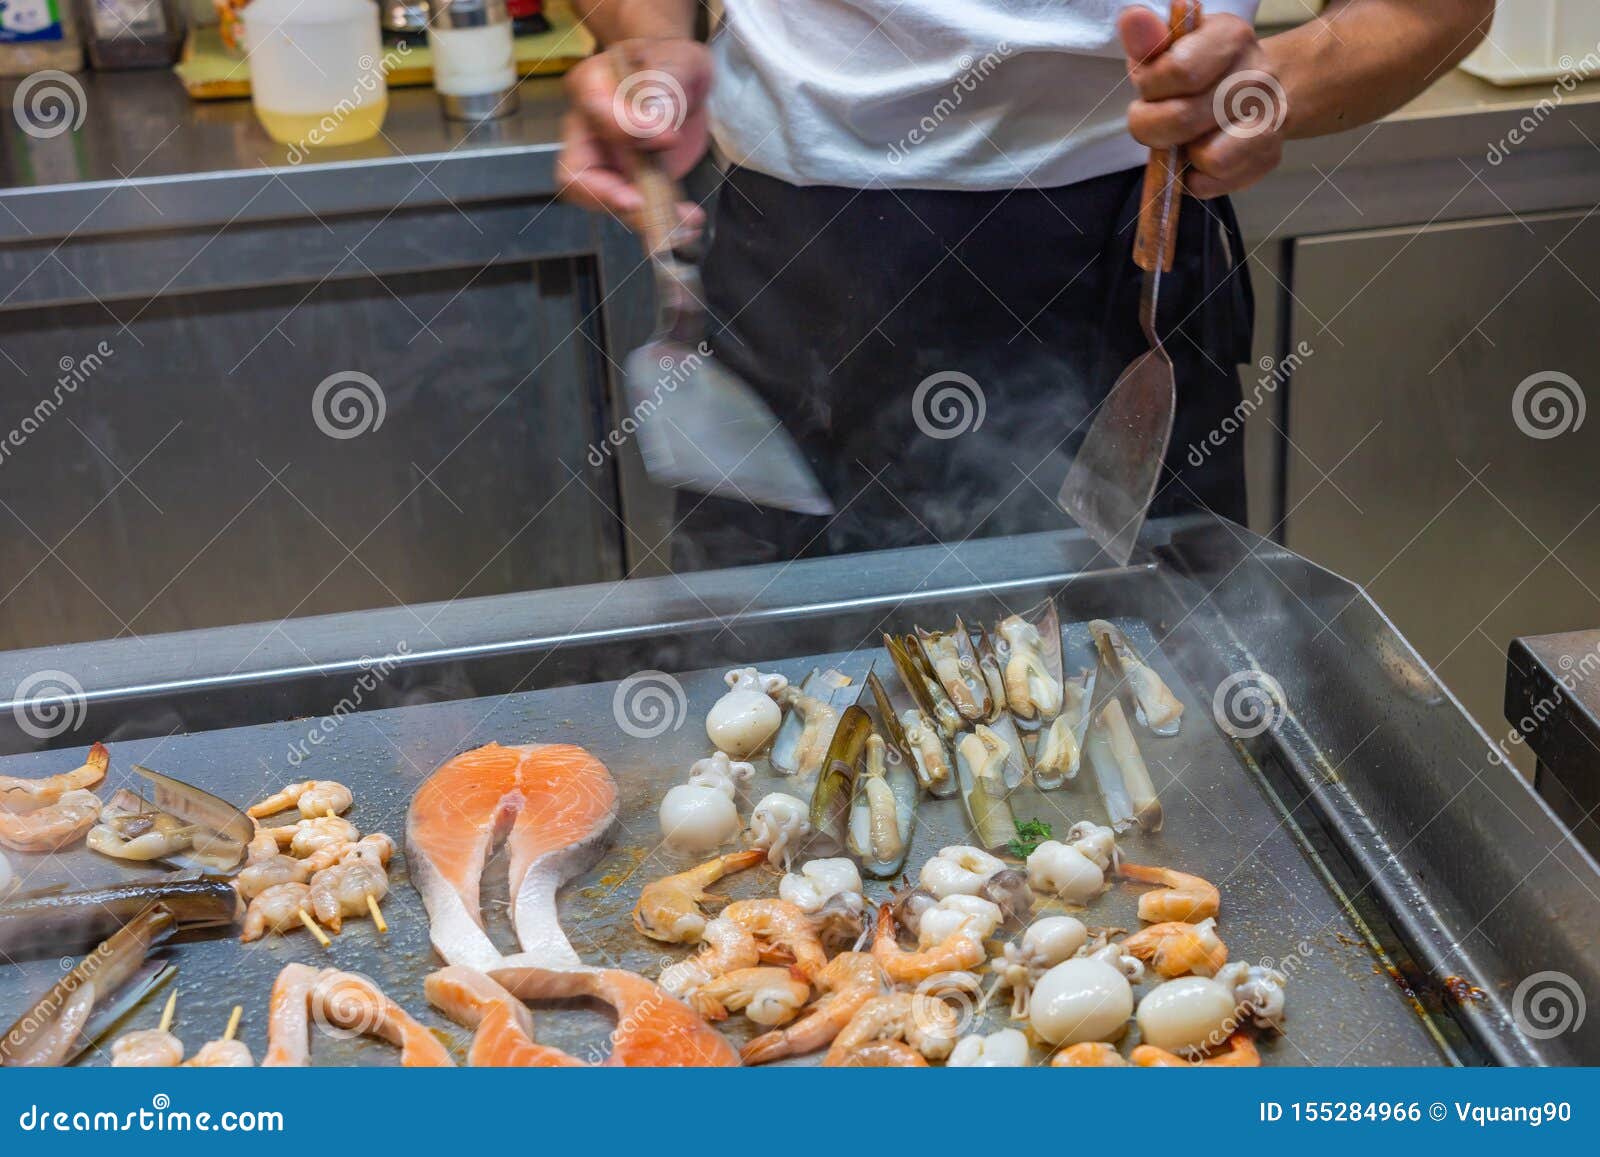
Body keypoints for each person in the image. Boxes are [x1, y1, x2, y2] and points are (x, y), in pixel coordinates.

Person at [558, 0, 1492, 568]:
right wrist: (648, 36)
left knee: (1151, 728)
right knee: (761, 727)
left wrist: (1264, 84)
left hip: (1122, 260)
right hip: (786, 270)